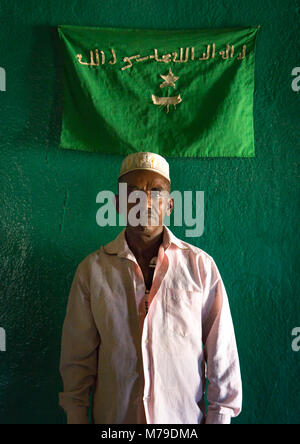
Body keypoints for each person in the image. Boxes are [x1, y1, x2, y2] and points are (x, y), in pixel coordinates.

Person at [58, 151, 242, 424]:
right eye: (133, 193)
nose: (144, 202)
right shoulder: (93, 271)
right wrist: (76, 416)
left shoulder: (200, 267)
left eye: (156, 192)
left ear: (169, 204)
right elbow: (77, 358)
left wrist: (220, 417)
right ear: (119, 203)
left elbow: (222, 357)